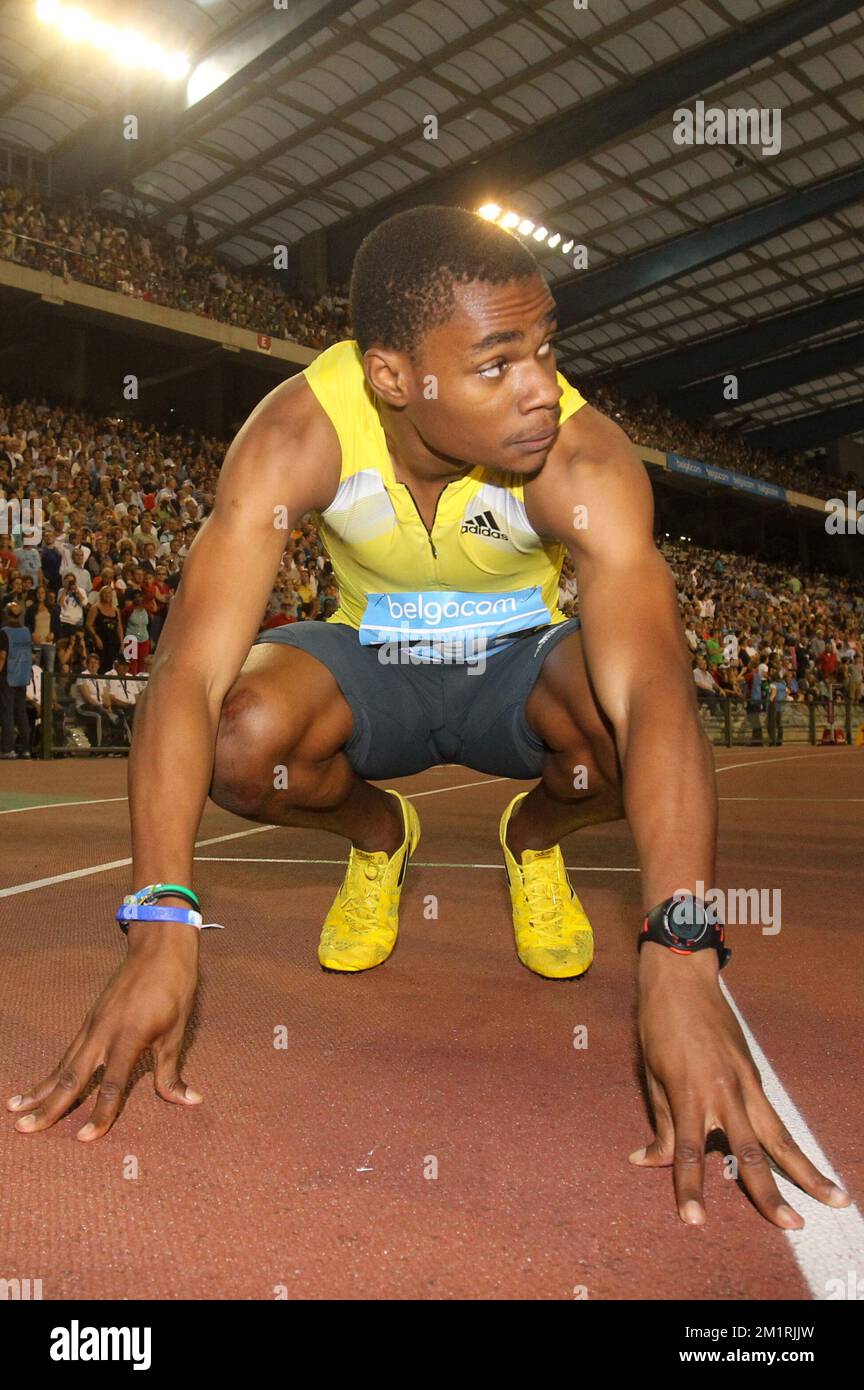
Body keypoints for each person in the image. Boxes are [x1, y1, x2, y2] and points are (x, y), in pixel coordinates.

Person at [7, 205, 848, 1234]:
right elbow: (182, 672)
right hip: (376, 666)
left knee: (623, 718)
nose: (543, 386)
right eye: (498, 364)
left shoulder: (583, 459)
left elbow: (657, 685)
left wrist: (681, 941)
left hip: (517, 671)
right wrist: (162, 912)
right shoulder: (297, 434)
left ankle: (533, 839)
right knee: (239, 735)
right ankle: (379, 836)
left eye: (547, 349)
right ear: (394, 377)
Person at [0, 600, 33, 758]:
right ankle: (26, 749)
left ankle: (8, 749)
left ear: (6, 614)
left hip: (8, 676)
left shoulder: (4, 632)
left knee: (7, 712)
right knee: (21, 712)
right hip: (23, 676)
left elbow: (2, 656)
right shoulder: (26, 631)